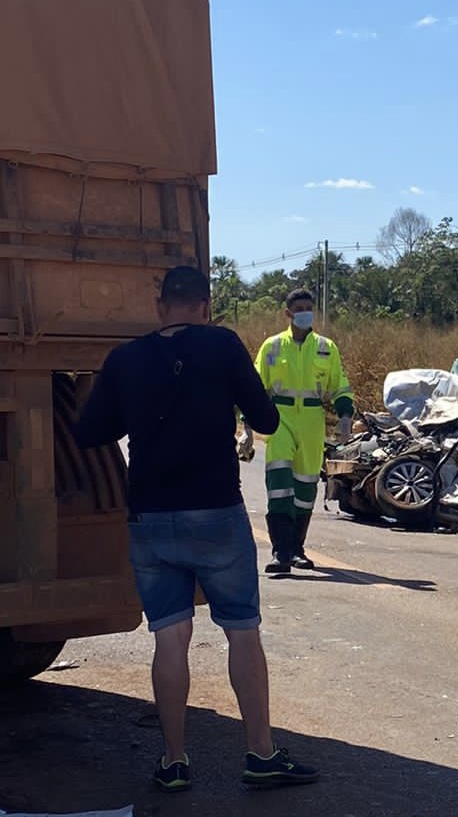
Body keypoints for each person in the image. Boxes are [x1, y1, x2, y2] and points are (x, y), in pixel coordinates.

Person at [74, 265, 318, 790]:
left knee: (170, 637)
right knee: (242, 631)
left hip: (151, 519)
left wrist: (122, 398)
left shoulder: (125, 358)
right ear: (206, 307)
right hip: (216, 516)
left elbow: (91, 431)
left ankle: (174, 761)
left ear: (161, 306)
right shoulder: (224, 346)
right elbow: (268, 422)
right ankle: (260, 753)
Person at [249, 288, 355, 575]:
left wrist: (345, 414)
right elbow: (256, 388)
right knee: (280, 485)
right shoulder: (272, 346)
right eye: (300, 308)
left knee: (306, 487)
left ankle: (297, 549)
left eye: (309, 307)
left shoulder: (326, 347)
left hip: (312, 419)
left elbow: (339, 384)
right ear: (288, 313)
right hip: (279, 418)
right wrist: (246, 425)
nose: (305, 312)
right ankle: (281, 553)